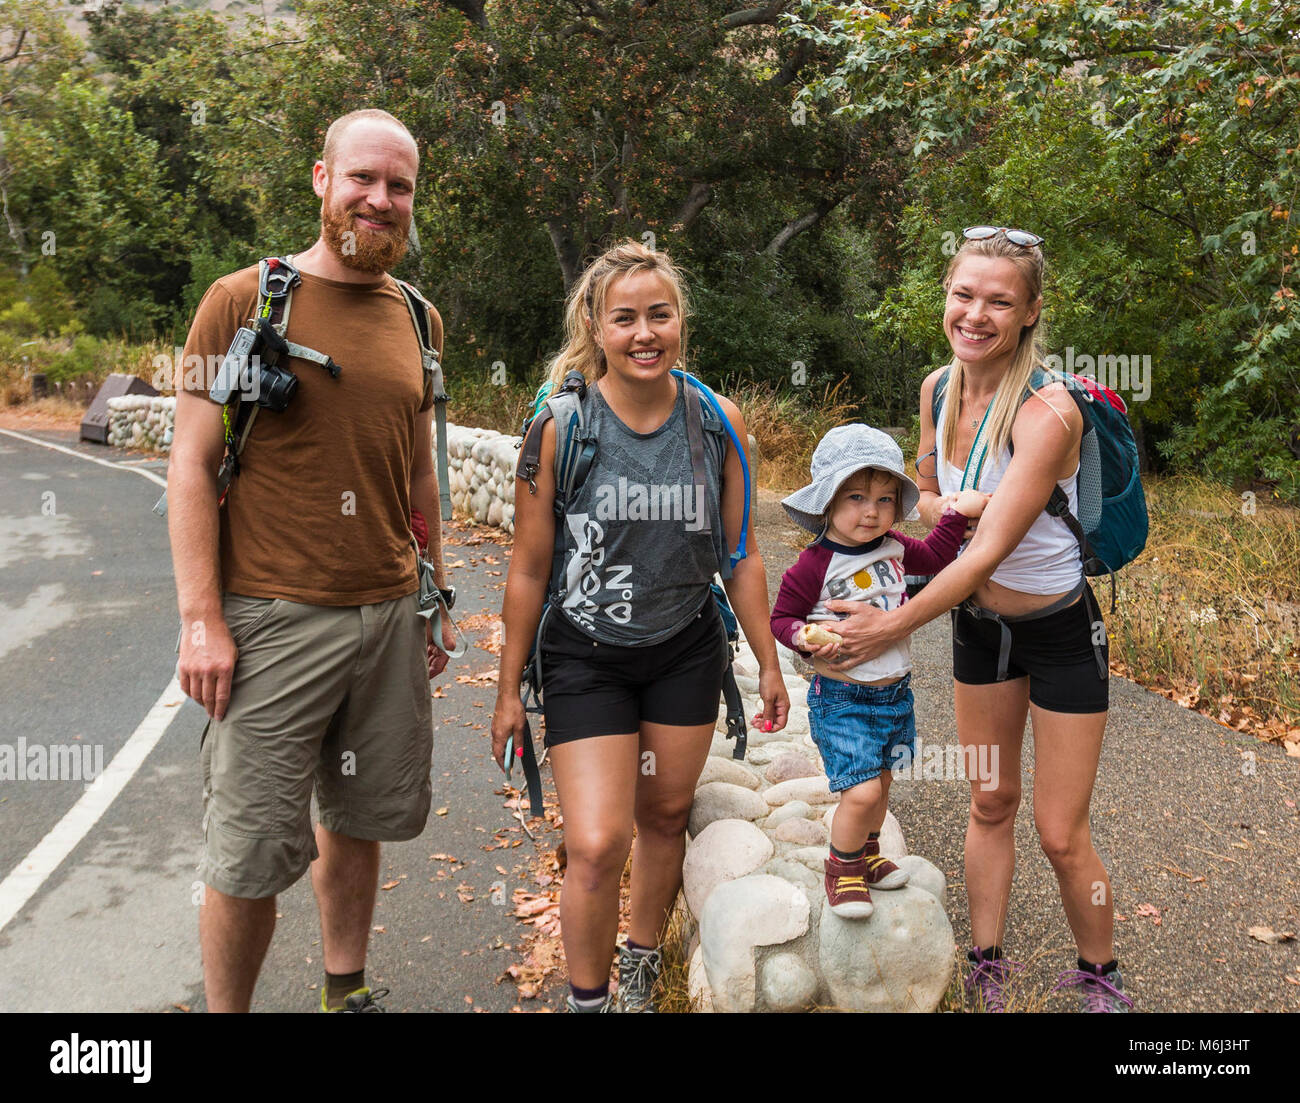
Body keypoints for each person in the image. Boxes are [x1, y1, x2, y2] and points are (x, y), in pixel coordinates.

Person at [168, 108, 456, 1013]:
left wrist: (436, 590)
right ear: (323, 179)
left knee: (358, 818)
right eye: (363, 179)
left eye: (399, 187)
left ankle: (346, 987)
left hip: (386, 613)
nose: (380, 199)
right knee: (249, 854)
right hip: (270, 621)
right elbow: (190, 465)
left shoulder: (417, 315)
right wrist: (201, 619)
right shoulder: (242, 299)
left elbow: (420, 472)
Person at [822, 226, 1131, 1012]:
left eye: (1000, 300)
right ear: (946, 298)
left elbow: (981, 556)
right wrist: (942, 506)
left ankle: (1102, 975)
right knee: (989, 800)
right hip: (982, 632)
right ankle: (987, 963)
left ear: (1031, 312)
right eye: (964, 294)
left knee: (1062, 831)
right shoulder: (938, 386)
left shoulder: (1049, 413)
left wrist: (891, 627)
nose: (976, 314)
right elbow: (926, 497)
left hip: (1061, 629)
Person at [491, 240, 789, 1013]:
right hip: (585, 656)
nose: (644, 332)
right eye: (624, 318)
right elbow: (527, 568)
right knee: (594, 842)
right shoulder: (561, 427)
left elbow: (741, 552)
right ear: (596, 325)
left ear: (681, 320)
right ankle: (587, 1000)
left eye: (660, 313)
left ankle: (640, 964)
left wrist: (771, 661)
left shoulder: (716, 421)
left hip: (684, 649)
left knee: (662, 816)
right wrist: (506, 693)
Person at [770, 425, 988, 919]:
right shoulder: (813, 566)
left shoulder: (893, 546)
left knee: (883, 785)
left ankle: (867, 855)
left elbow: (934, 558)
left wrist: (953, 513)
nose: (872, 511)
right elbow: (781, 618)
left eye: (886, 499)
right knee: (862, 789)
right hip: (843, 697)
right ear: (827, 501)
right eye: (856, 497)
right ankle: (841, 868)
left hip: (894, 695)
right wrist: (804, 638)